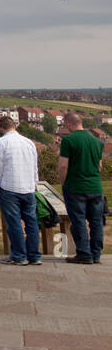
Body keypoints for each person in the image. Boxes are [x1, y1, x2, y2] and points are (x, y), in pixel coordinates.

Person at [0, 115, 41, 266]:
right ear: (15, 126)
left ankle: (19, 256)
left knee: (14, 224)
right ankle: (34, 256)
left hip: (9, 187)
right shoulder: (29, 142)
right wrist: (35, 184)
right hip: (28, 187)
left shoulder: (1, 142)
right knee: (32, 223)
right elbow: (34, 166)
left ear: (1, 128)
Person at [57, 112, 105, 264]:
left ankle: (84, 253)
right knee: (96, 222)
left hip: (76, 186)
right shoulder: (97, 141)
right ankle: (96, 254)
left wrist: (63, 183)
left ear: (70, 124)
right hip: (96, 187)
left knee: (78, 221)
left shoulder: (68, 140)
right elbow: (100, 166)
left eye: (65, 125)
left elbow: (63, 165)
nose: (65, 128)